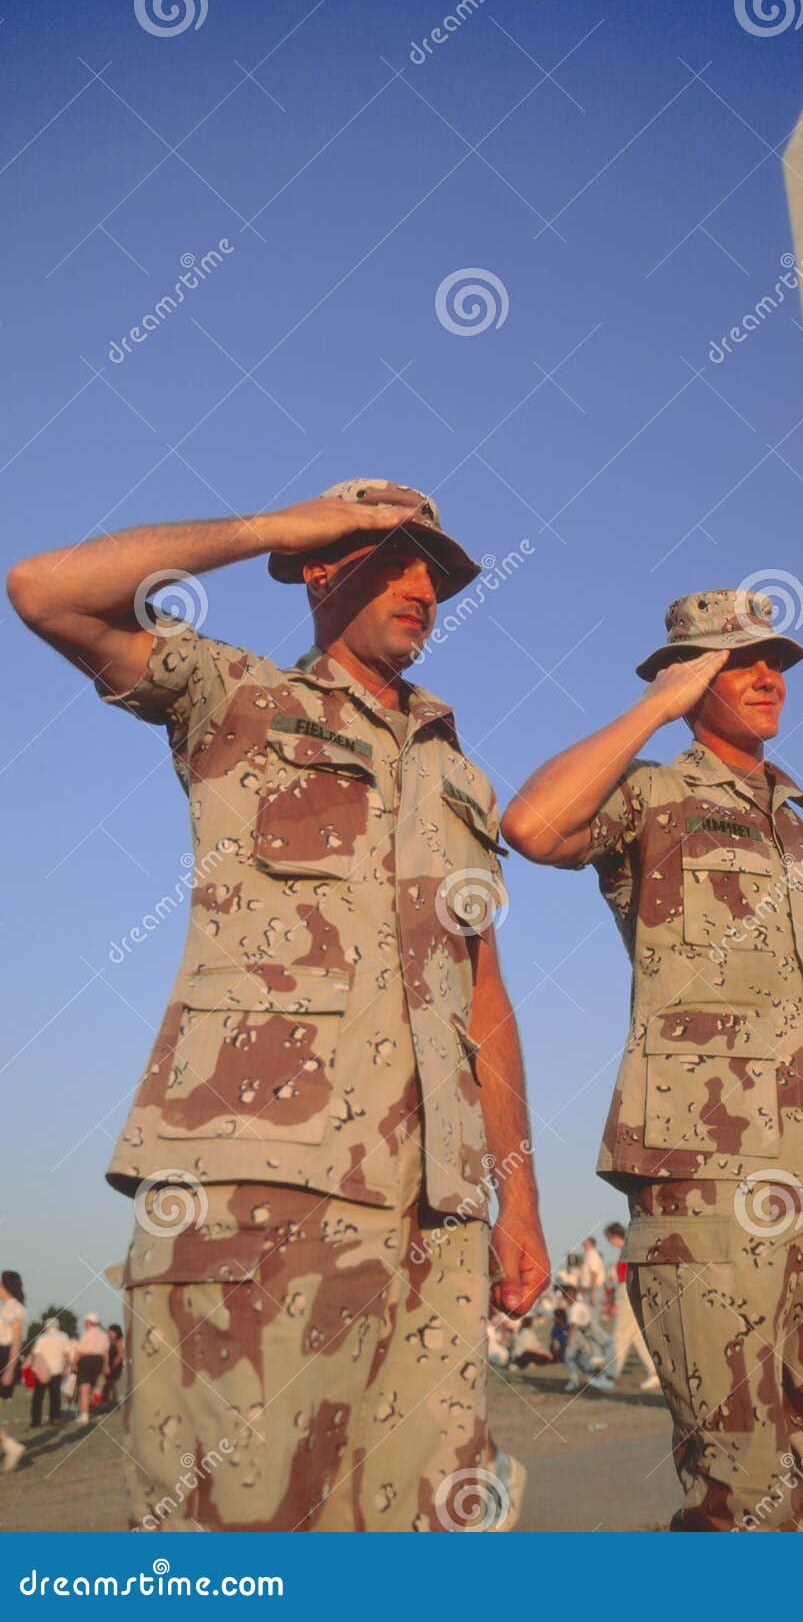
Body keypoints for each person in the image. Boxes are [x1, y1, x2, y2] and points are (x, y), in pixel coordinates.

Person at [7, 479, 550, 1531]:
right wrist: (274, 525)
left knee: (431, 1531)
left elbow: (480, 993)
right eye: (385, 557)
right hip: (255, 1196)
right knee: (240, 1533)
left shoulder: (464, 780)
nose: (418, 589)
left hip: (434, 1216)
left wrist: (514, 1197)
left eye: (432, 574)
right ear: (318, 567)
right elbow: (44, 592)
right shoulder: (240, 699)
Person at [502, 588, 803, 1530]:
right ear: (688, 675)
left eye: (774, 661)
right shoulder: (651, 795)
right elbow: (533, 827)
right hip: (707, 1182)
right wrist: (656, 710)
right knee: (742, 1493)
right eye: (735, 661)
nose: (764, 678)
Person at [595, 1221, 659, 1393]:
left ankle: (610, 1376)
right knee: (637, 1337)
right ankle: (655, 1372)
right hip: (630, 1290)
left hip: (627, 1291)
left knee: (620, 1335)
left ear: (614, 1236)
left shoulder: (627, 1248)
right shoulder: (631, 1246)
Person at [0, 1271, 27, 1473]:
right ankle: (10, 1446)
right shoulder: (7, 1308)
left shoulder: (14, 1308)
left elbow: (16, 1342)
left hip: (5, 1357)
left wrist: (9, 1369)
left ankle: (11, 1446)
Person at [30, 1318, 73, 1429]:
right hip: (57, 1369)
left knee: (38, 1397)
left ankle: (36, 1421)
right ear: (58, 1326)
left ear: (46, 1326)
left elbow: (35, 1354)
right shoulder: (64, 1336)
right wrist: (65, 1368)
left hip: (43, 1371)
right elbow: (67, 1354)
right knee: (55, 1396)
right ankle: (54, 1418)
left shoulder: (42, 1338)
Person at [73, 1313, 111, 1424]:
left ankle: (84, 1415)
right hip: (99, 1361)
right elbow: (105, 1352)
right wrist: (106, 1365)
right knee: (95, 1389)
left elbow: (79, 1351)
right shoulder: (104, 1335)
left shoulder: (87, 1334)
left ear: (89, 1323)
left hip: (86, 1360)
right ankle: (92, 1410)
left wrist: (74, 1364)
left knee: (84, 1389)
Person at [100, 1324, 125, 1408]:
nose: (109, 1333)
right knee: (109, 1385)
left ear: (116, 1333)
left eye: (111, 1332)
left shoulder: (118, 1341)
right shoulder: (109, 1342)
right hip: (110, 1366)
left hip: (115, 1367)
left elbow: (120, 1355)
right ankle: (111, 1403)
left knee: (114, 1384)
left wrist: (113, 1366)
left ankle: (115, 1403)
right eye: (109, 1331)